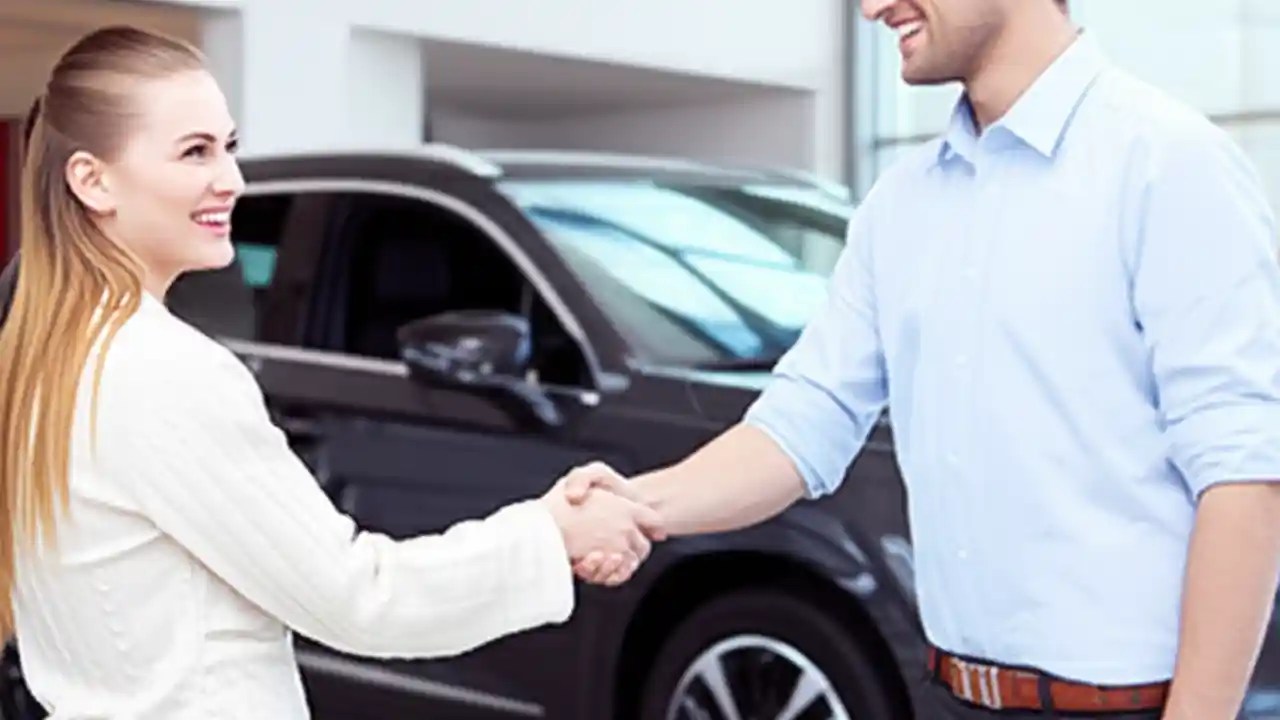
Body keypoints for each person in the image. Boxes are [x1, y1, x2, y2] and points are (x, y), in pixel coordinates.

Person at [565, 1, 1280, 718]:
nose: (874, 7)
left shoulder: (1168, 162)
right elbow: (805, 417)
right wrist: (635, 506)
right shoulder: (901, 203)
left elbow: (1247, 474)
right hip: (949, 694)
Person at [0, 25, 663, 719]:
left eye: (229, 147)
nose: (231, 179)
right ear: (91, 180)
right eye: (194, 152)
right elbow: (359, 599)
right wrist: (550, 535)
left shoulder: (41, 359)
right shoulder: (161, 370)